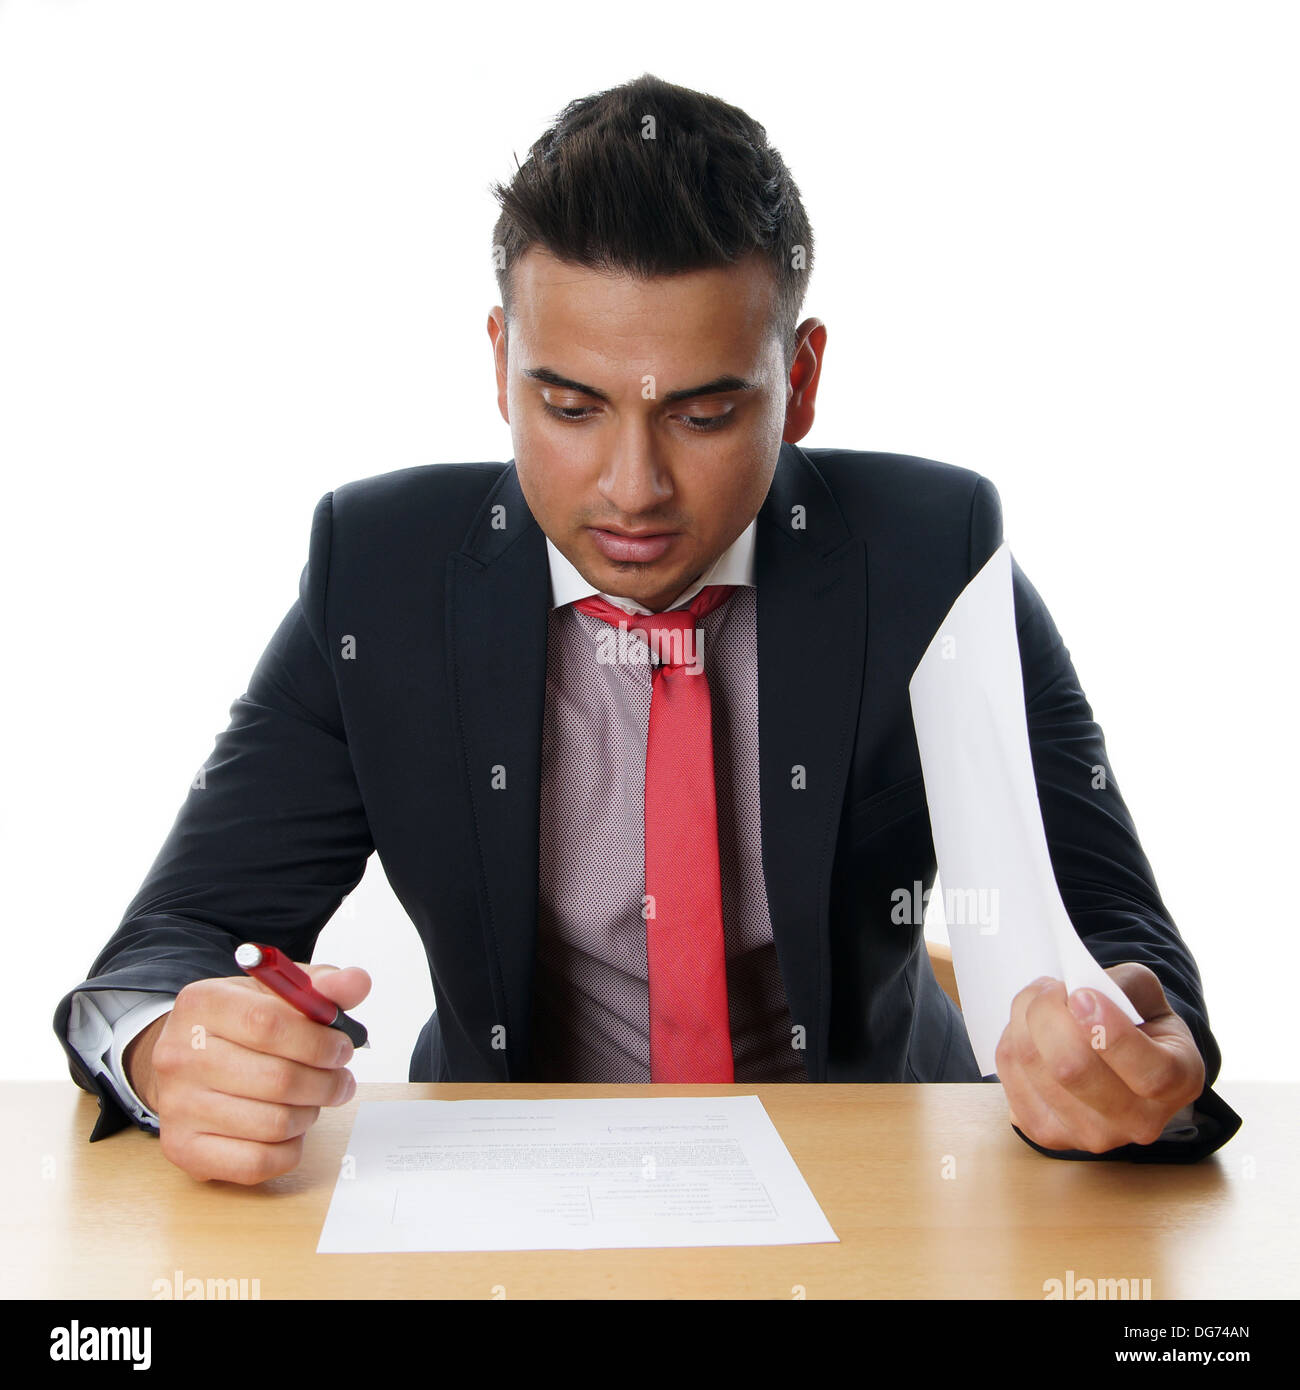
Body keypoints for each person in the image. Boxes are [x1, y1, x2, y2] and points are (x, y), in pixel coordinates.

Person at [53, 71, 1241, 1185]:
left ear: (803, 378)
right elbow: (173, 939)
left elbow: (1120, 934)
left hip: (876, 1178)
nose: (632, 487)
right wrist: (172, 1050)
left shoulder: (931, 556)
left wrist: (1134, 1043)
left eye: (708, 412)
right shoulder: (380, 574)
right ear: (499, 362)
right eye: (569, 405)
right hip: (504, 1190)